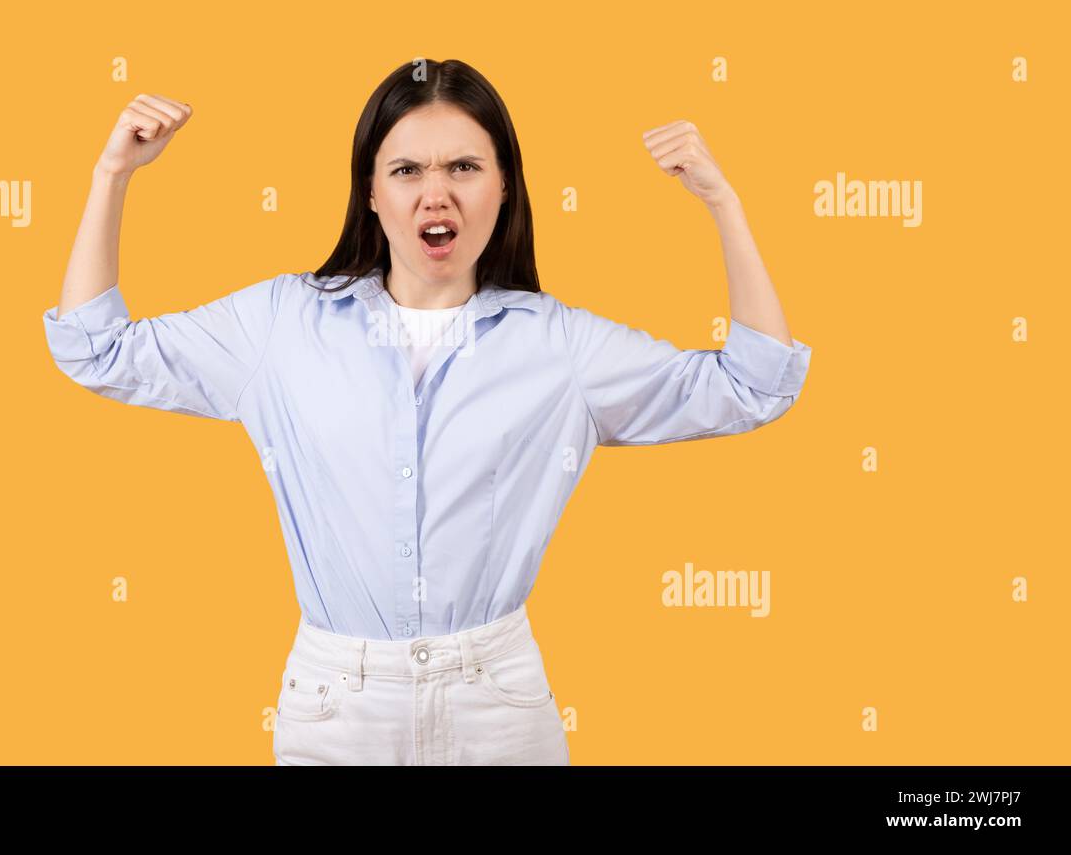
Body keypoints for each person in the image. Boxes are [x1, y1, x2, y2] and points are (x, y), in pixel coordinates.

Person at [42, 58, 813, 765]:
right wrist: (113, 174)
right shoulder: (280, 326)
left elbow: (756, 385)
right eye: (406, 169)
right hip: (335, 705)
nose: (434, 193)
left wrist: (724, 202)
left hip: (499, 707)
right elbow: (94, 348)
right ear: (371, 193)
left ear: (504, 186)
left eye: (465, 167)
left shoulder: (561, 347)